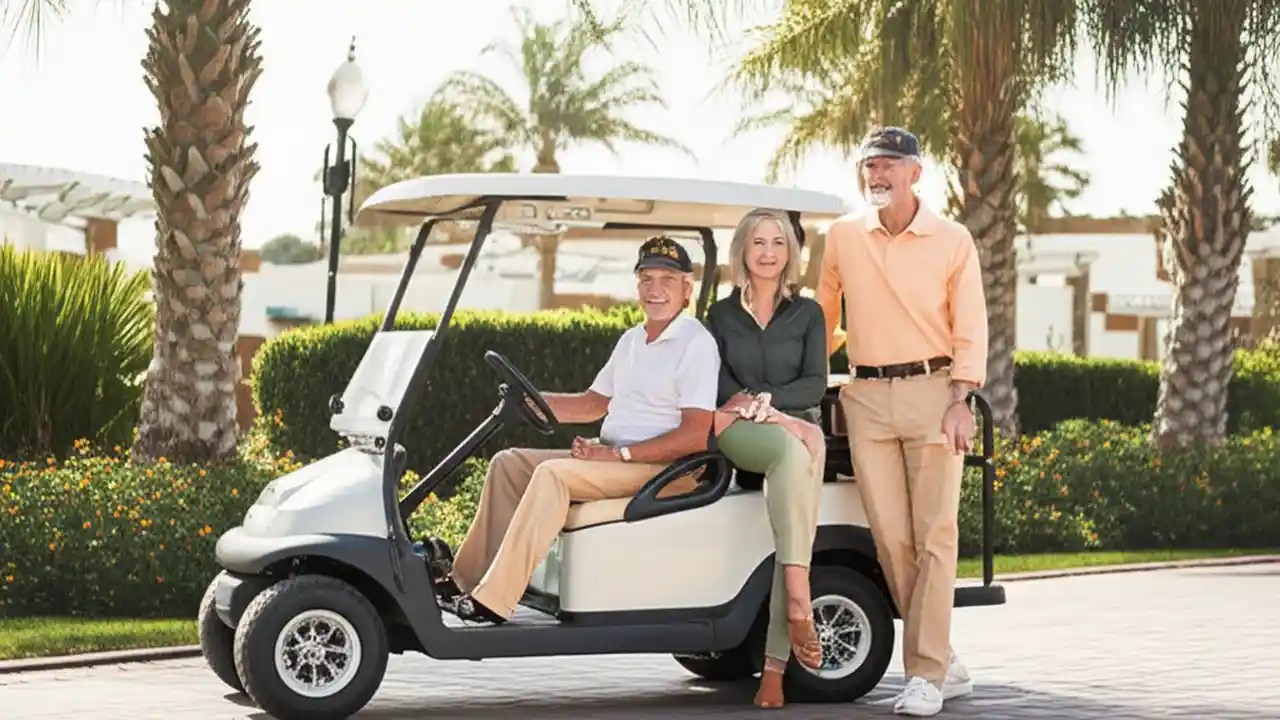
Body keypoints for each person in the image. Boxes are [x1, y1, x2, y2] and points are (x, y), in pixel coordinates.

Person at [438, 235, 721, 624]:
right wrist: (531, 398)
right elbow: (593, 404)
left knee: (554, 474)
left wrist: (616, 454)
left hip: (667, 471)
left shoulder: (696, 344)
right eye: (647, 279)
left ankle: (494, 600)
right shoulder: (632, 340)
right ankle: (463, 581)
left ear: (687, 290)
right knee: (508, 464)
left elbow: (694, 435)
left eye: (667, 281)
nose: (655, 290)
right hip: (620, 460)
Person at [815, 127, 988, 717]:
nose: (878, 173)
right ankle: (940, 655)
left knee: (935, 535)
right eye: (870, 164)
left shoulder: (952, 239)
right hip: (865, 397)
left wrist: (962, 398)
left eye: (890, 164)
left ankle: (926, 675)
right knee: (891, 540)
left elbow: (970, 326)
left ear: (916, 172)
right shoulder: (842, 236)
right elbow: (823, 319)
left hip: (935, 394)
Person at [704, 208, 829, 710]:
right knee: (791, 451)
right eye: (758, 242)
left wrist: (772, 404)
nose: (769, 252)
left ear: (790, 252)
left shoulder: (808, 314)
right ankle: (800, 598)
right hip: (742, 432)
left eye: (778, 243)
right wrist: (757, 407)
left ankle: (774, 669)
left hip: (794, 428)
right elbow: (719, 385)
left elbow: (814, 384)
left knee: (791, 498)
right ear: (743, 250)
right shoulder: (720, 315)